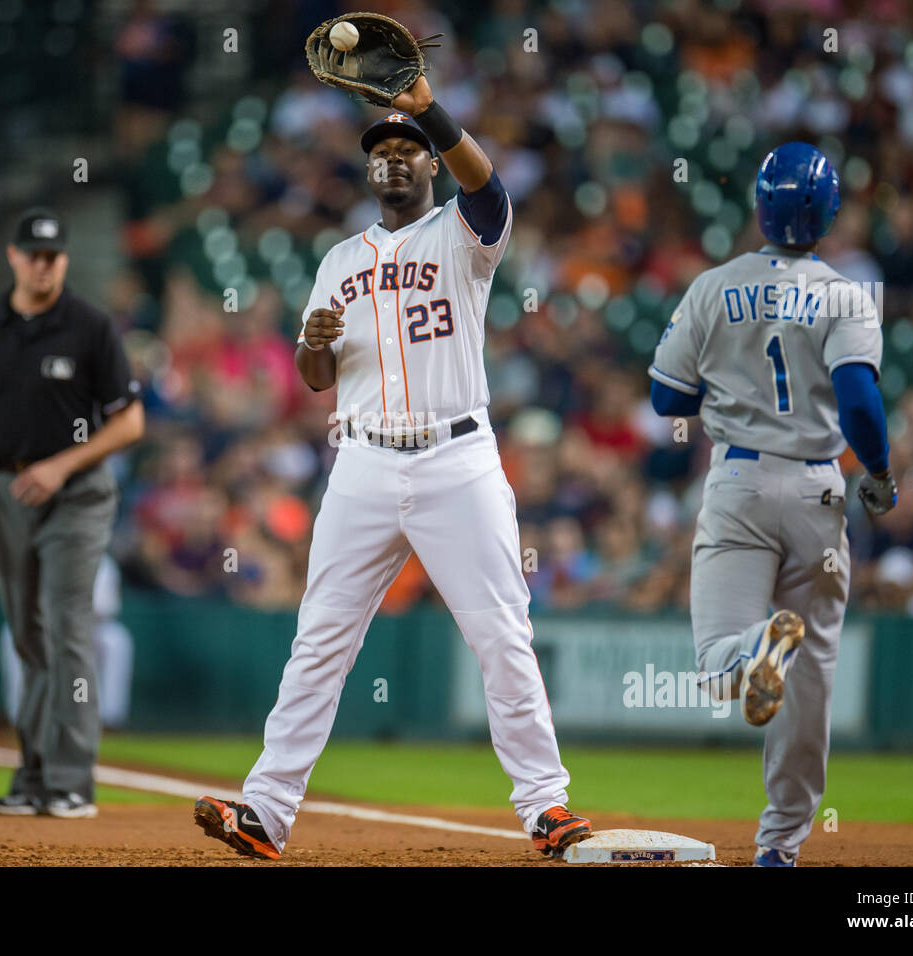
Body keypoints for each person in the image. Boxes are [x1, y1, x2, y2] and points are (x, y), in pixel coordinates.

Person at [194, 75, 592, 860]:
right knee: (319, 640)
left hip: (458, 458)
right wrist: (312, 340)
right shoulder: (340, 258)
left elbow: (491, 187)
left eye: (408, 150)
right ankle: (267, 812)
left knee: (501, 634)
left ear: (431, 165)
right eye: (382, 152)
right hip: (363, 462)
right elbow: (316, 376)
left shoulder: (463, 233)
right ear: (366, 171)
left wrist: (425, 107)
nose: (395, 160)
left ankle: (546, 806)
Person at [647, 144, 897, 866]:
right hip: (818, 488)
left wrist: (728, 382)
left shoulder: (713, 286)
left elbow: (667, 396)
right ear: (829, 213)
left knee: (718, 663)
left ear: (759, 205)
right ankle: (780, 847)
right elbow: (859, 402)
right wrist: (877, 473)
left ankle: (756, 647)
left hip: (740, 483)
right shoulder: (849, 294)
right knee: (811, 678)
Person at [0, 208, 144, 818]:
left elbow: (131, 421)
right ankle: (32, 777)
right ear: (13, 257)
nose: (43, 263)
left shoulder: (89, 326)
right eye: (33, 253)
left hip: (77, 496)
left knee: (66, 629)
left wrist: (63, 464)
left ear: (63, 260)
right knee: (28, 638)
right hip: (3, 493)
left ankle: (71, 781)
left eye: (52, 255)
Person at [1, 554, 135, 730]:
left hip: (86, 628)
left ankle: (100, 718)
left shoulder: (100, 562)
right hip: (44, 626)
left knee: (112, 641)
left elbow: (102, 608)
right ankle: (21, 713)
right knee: (13, 634)